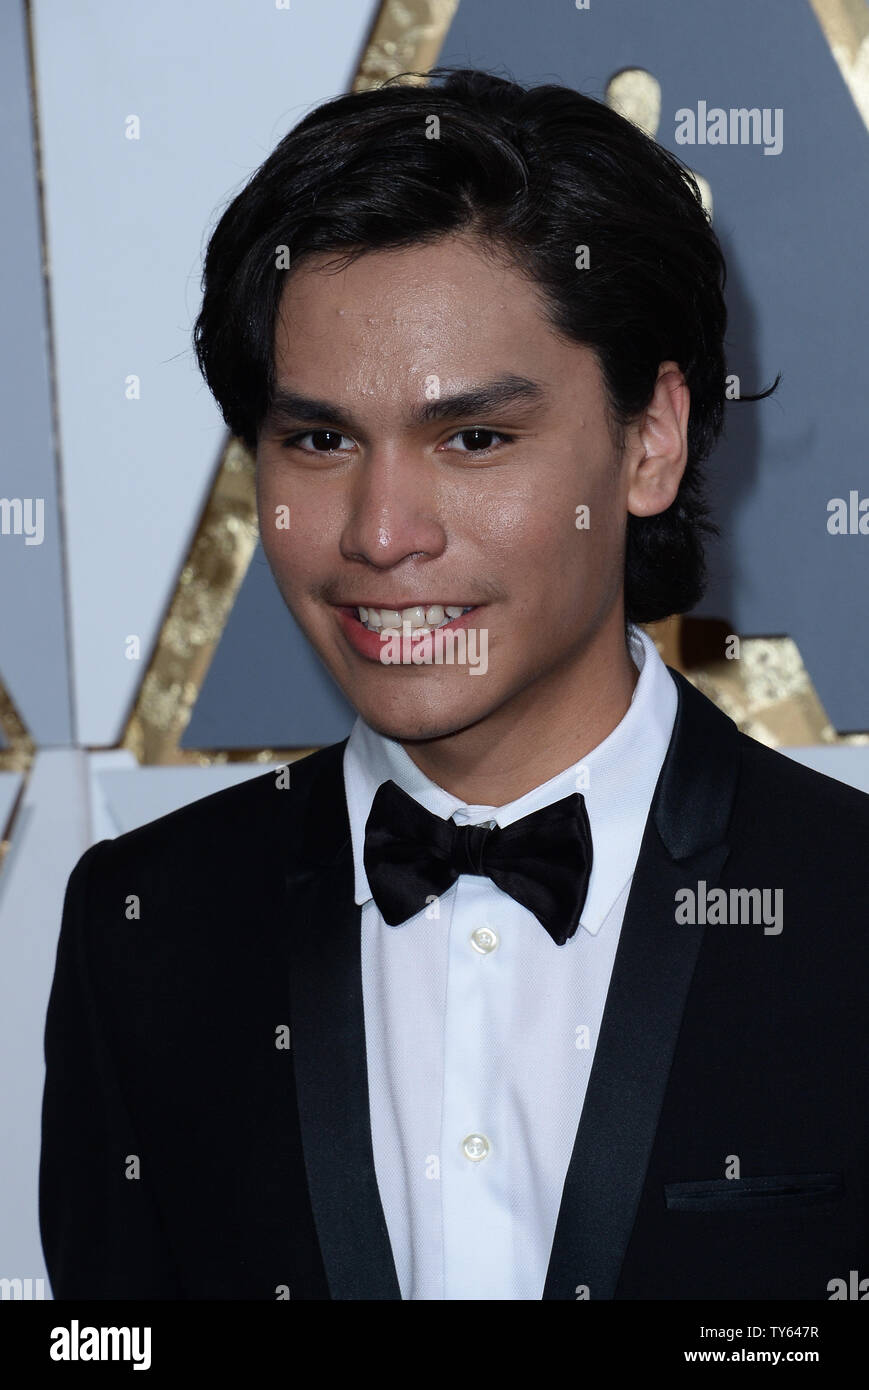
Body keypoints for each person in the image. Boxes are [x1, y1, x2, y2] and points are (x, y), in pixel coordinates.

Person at [40, 68, 869, 1301]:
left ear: (648, 439)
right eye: (318, 440)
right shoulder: (145, 931)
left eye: (473, 439)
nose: (379, 534)